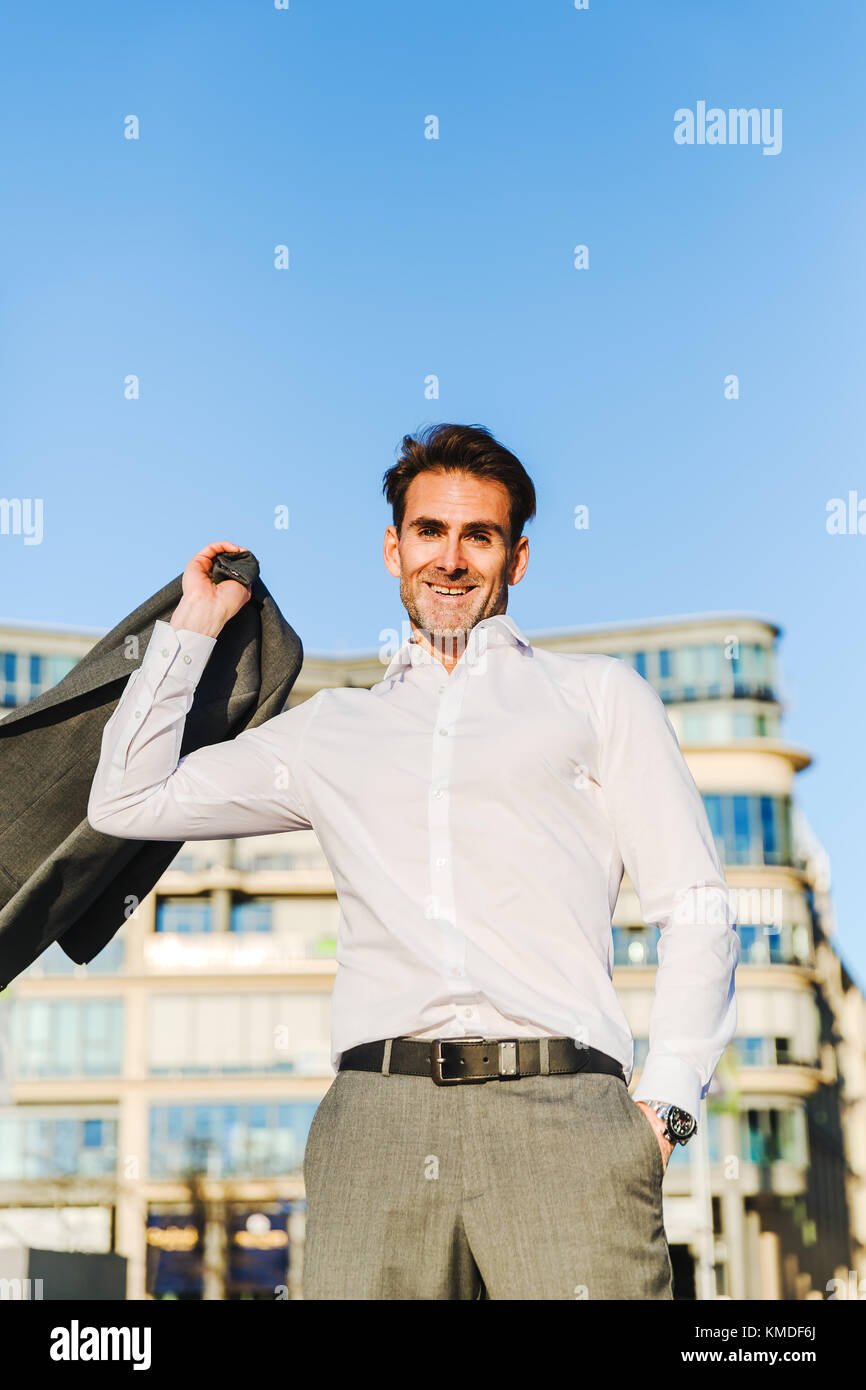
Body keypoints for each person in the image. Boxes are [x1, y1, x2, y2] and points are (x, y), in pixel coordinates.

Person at [88, 422, 739, 1300]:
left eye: (481, 536)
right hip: (376, 1124)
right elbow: (126, 799)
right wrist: (193, 628)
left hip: (565, 1116)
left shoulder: (600, 697)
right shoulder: (331, 731)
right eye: (430, 531)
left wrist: (666, 1105)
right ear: (395, 547)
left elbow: (695, 905)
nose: (453, 558)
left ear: (517, 559)